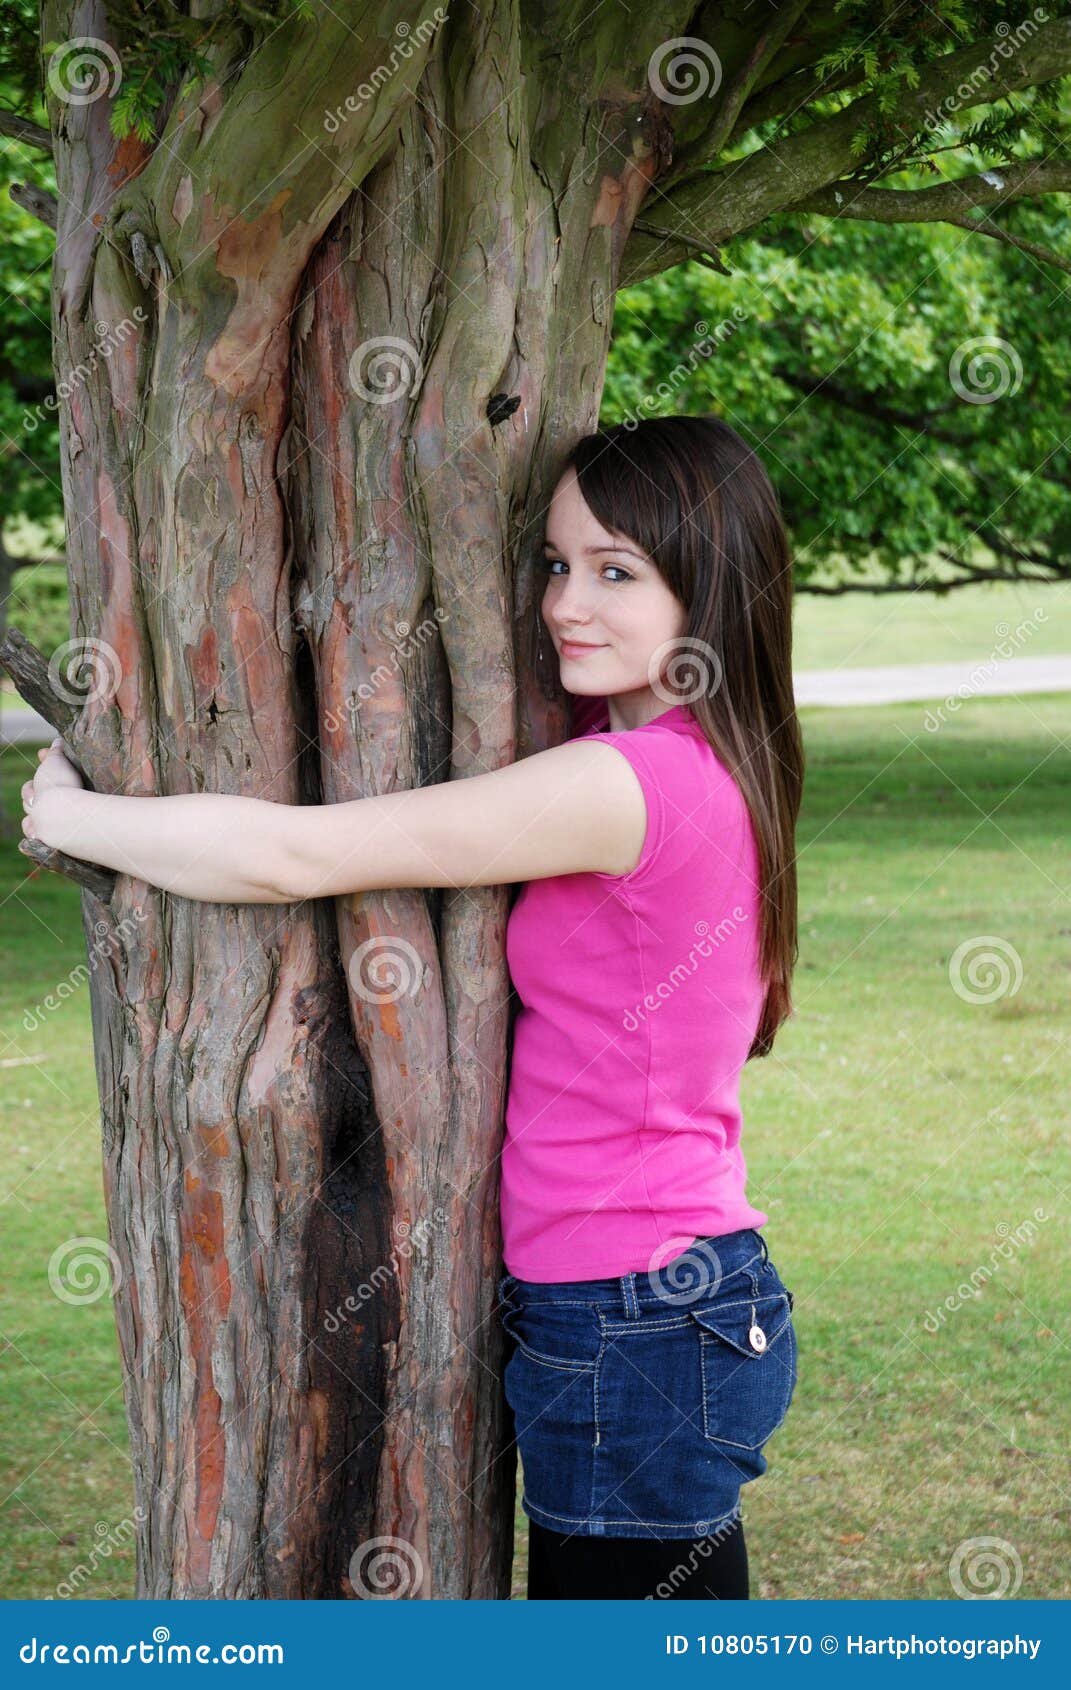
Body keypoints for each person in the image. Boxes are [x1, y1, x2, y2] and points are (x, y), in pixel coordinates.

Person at [21, 414, 804, 1602]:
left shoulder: (625, 784)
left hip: (634, 1318)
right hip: (657, 1306)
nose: (566, 605)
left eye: (617, 572)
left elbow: (297, 857)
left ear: (712, 583)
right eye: (555, 564)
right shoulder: (687, 754)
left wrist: (73, 820)